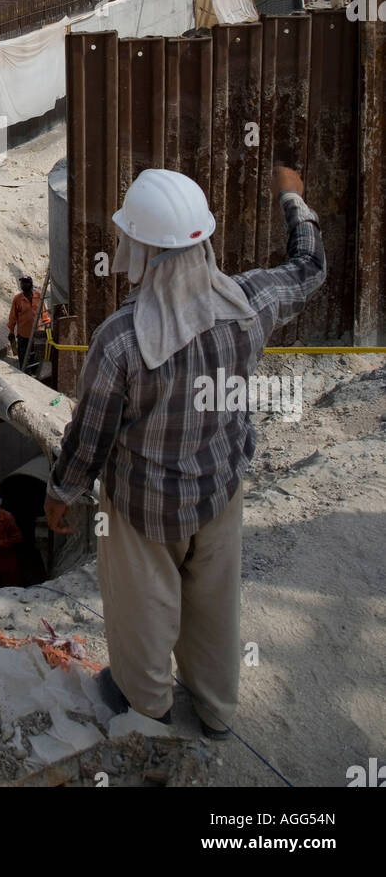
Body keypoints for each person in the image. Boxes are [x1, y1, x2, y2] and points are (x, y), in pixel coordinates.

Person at [43, 166, 326, 739]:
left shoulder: (121, 341)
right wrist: (292, 198)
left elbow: (89, 437)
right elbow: (309, 268)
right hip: (221, 490)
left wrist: (60, 493)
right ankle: (217, 709)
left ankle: (147, 708)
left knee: (142, 609)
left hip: (145, 510)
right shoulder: (250, 303)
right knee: (215, 606)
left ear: (141, 251)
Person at [8, 275, 49, 372]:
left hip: (37, 333)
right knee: (24, 359)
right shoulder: (17, 299)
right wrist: (11, 331)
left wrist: (47, 326)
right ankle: (24, 375)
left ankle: (34, 375)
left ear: (30, 284)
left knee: (35, 358)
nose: (23, 284)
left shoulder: (38, 296)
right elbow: (12, 316)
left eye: (26, 282)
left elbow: (44, 314)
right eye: (22, 283)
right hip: (23, 335)